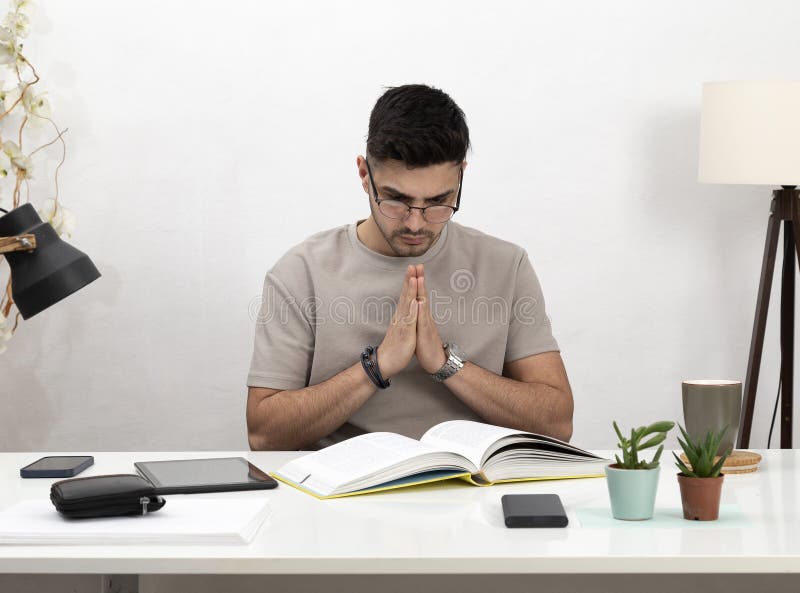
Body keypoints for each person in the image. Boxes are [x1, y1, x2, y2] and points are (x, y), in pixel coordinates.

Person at [246, 84, 573, 451]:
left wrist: (446, 363)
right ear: (364, 174)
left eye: (439, 201)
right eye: (397, 200)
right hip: (347, 493)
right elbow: (264, 434)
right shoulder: (300, 272)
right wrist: (379, 365)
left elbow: (557, 422)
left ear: (461, 176)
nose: (416, 224)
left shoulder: (506, 266)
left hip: (473, 487)